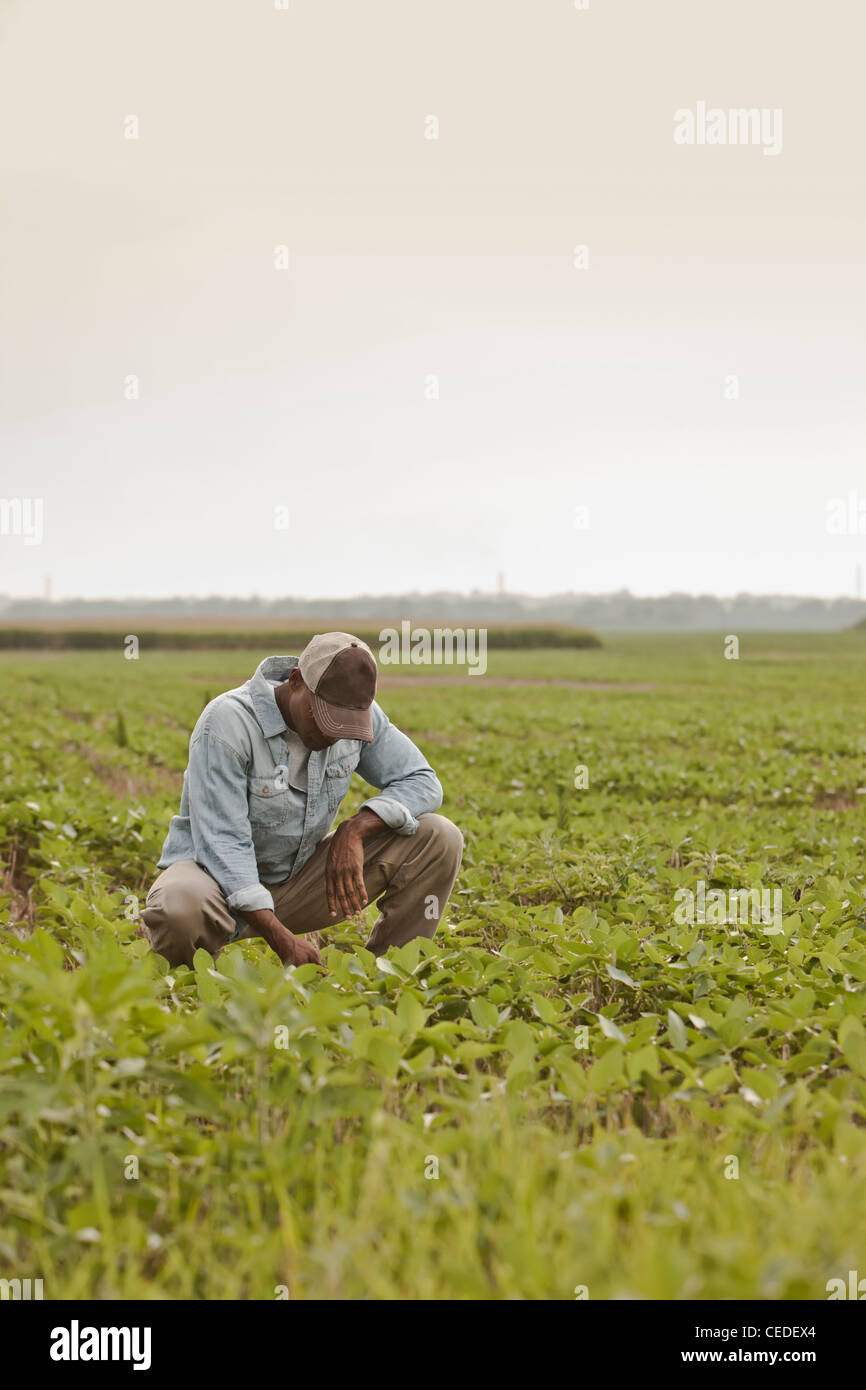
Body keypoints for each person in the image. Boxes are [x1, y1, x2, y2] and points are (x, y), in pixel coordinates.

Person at [142, 632, 463, 970]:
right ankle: (186, 990)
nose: (333, 733)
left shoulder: (357, 712)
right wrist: (280, 937)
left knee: (438, 837)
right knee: (179, 907)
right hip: (214, 886)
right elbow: (224, 844)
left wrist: (355, 829)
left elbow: (423, 781)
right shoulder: (227, 722)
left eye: (346, 725)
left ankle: (388, 977)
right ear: (296, 681)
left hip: (296, 880)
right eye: (323, 718)